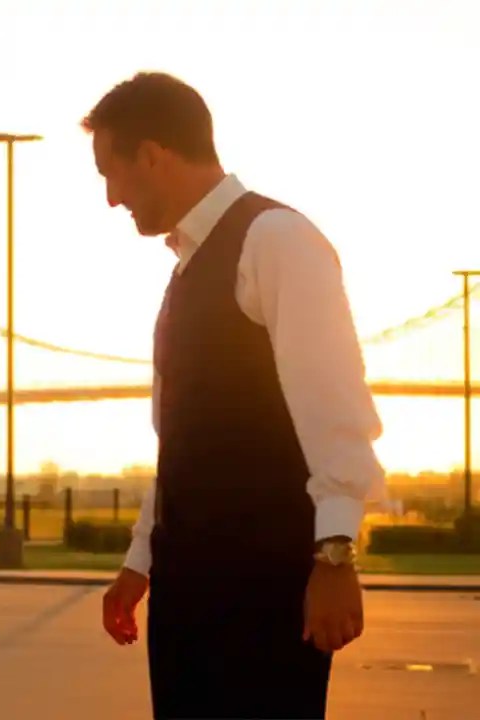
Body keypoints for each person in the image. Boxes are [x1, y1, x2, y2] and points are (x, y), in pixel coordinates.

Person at [81, 71, 386, 719]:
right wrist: (140, 561)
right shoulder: (186, 271)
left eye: (111, 173)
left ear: (152, 155)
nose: (110, 198)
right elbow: (180, 445)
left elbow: (335, 409)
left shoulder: (276, 239)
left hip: (264, 593)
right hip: (187, 595)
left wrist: (335, 557)